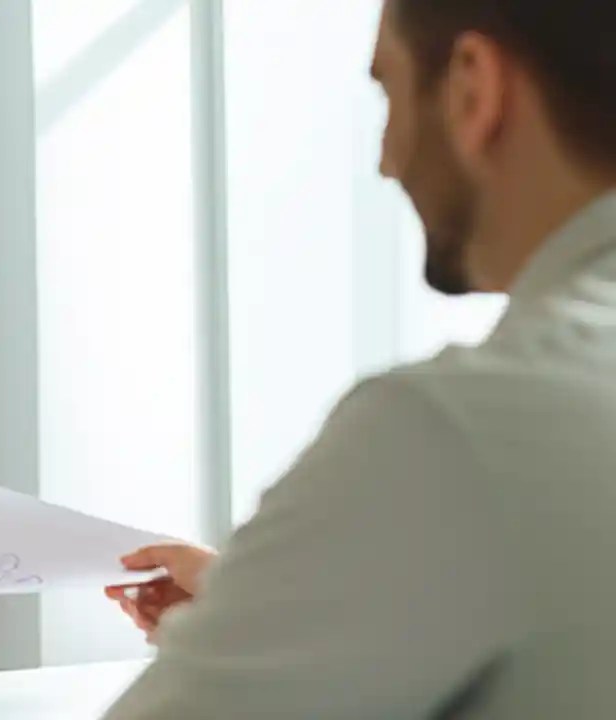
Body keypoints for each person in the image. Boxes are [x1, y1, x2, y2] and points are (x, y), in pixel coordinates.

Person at [104, 0, 616, 717]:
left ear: (475, 89)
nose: (385, 160)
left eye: (389, 90)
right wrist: (274, 607)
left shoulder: (452, 430)